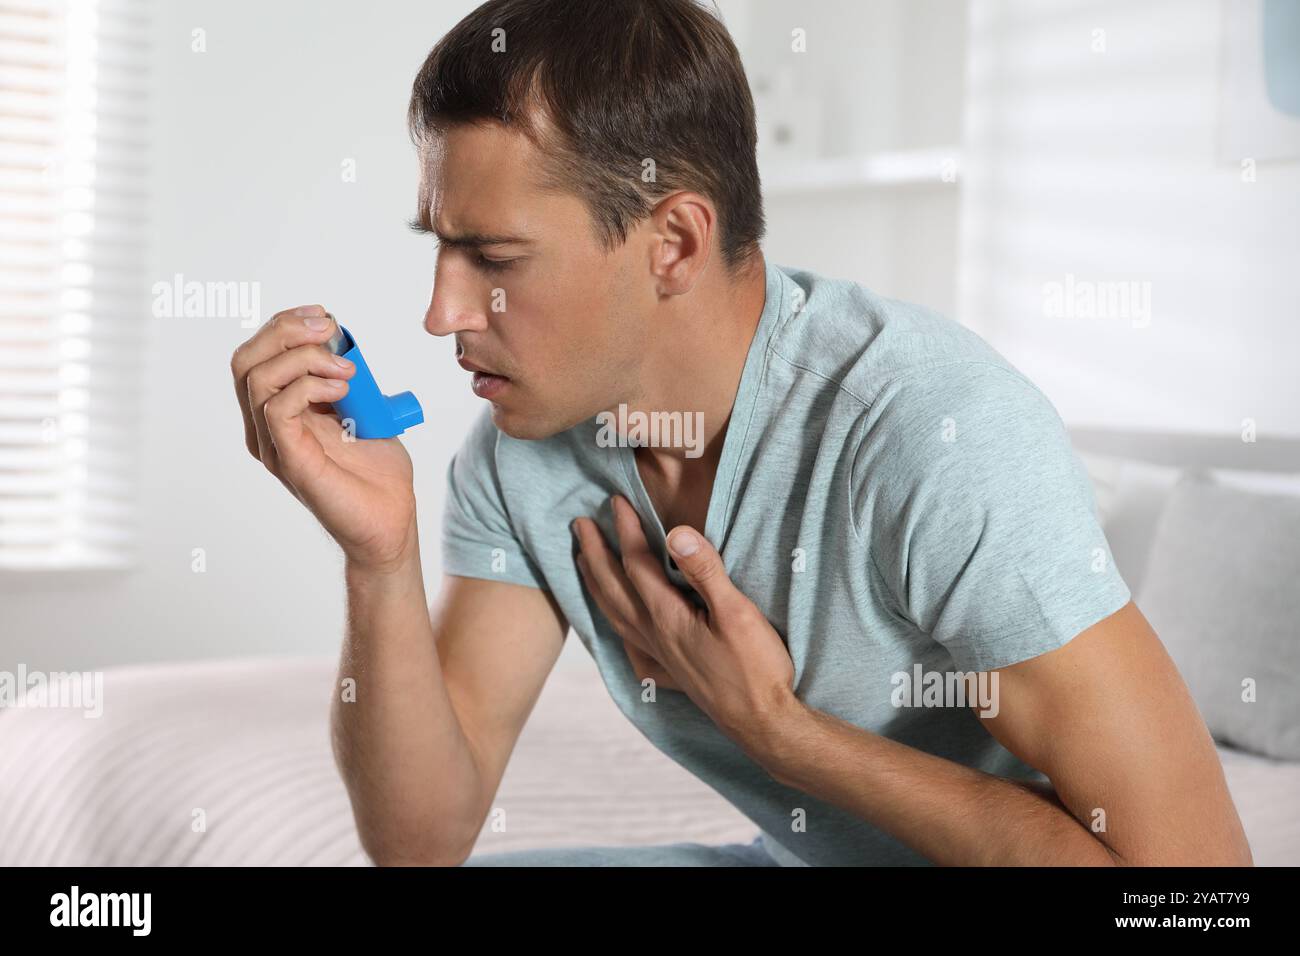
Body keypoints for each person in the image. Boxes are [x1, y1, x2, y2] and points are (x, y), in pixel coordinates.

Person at [229, 0, 1252, 866]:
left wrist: (783, 733)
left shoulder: (935, 435)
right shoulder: (522, 451)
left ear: (672, 241)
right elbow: (420, 838)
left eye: (492, 257)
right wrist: (380, 557)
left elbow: (1193, 892)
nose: (441, 312)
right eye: (441, 249)